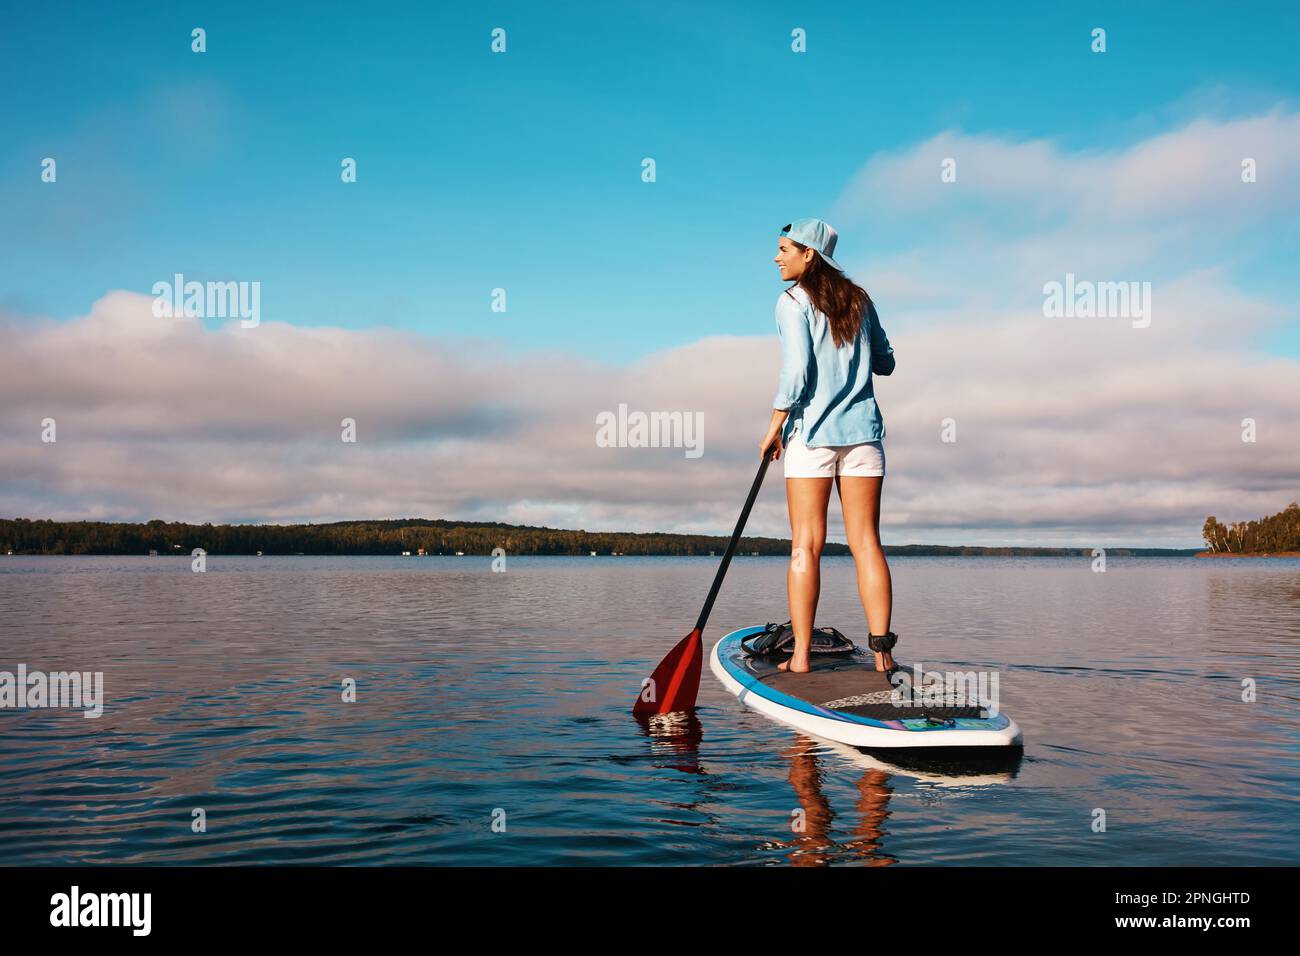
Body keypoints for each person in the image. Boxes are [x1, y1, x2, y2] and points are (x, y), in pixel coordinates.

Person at [758, 219, 898, 674]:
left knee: (806, 546)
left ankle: (800, 657)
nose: (777, 257)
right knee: (867, 543)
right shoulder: (861, 300)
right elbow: (886, 362)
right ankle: (883, 657)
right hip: (864, 439)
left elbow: (797, 373)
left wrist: (775, 426)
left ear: (809, 254)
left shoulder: (791, 301)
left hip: (812, 438)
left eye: (784, 249)